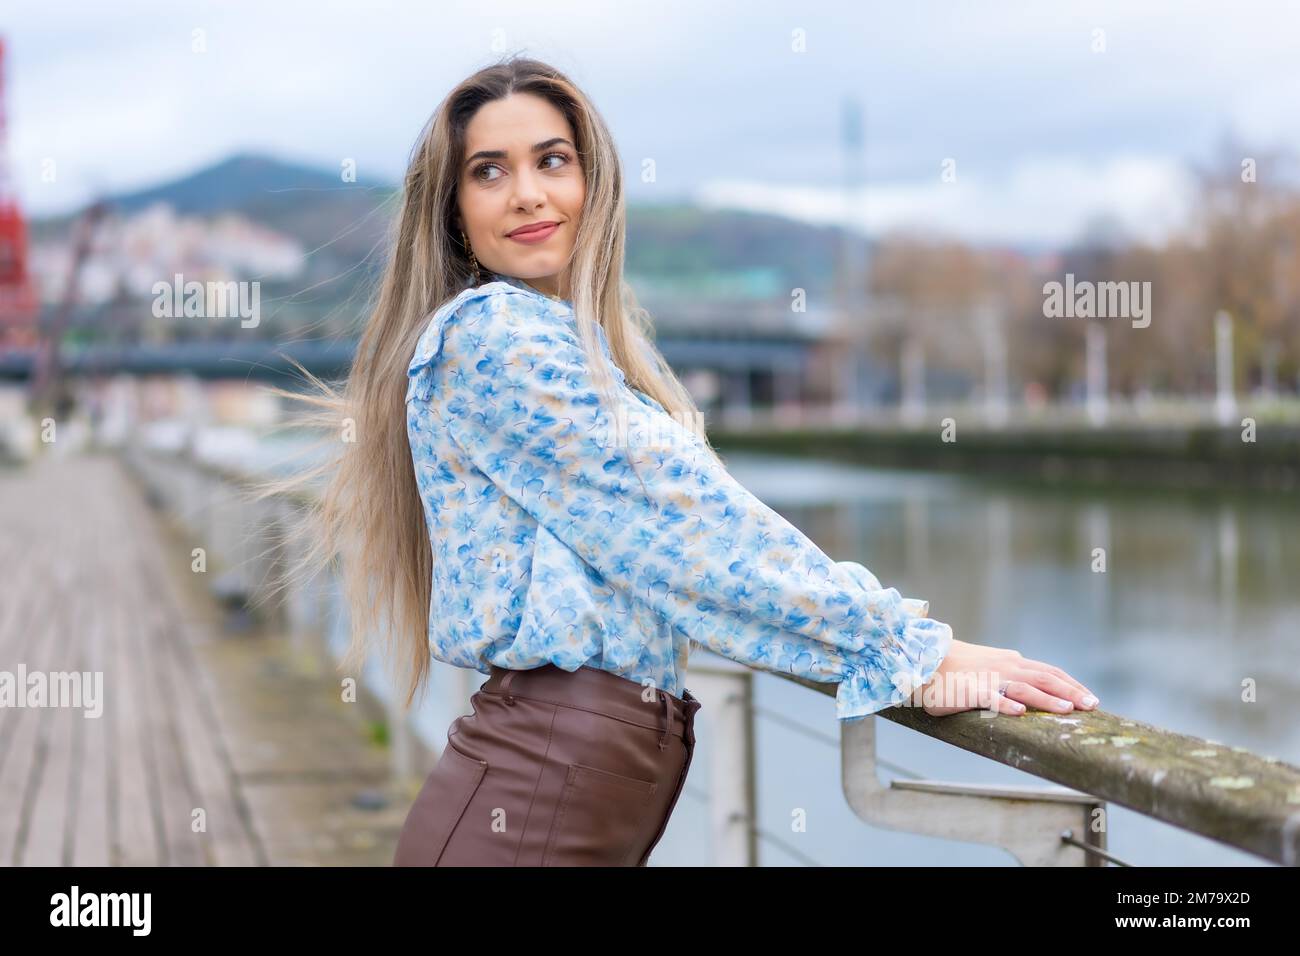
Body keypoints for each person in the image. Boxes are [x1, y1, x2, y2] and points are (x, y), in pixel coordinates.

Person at [263, 56, 1098, 867]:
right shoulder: (492, 339)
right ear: (454, 213)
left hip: (552, 798)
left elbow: (688, 535)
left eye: (552, 160)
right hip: (528, 802)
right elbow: (693, 537)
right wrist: (905, 651)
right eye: (489, 171)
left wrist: (905, 646)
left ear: (593, 184)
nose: (527, 193)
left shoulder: (573, 348)